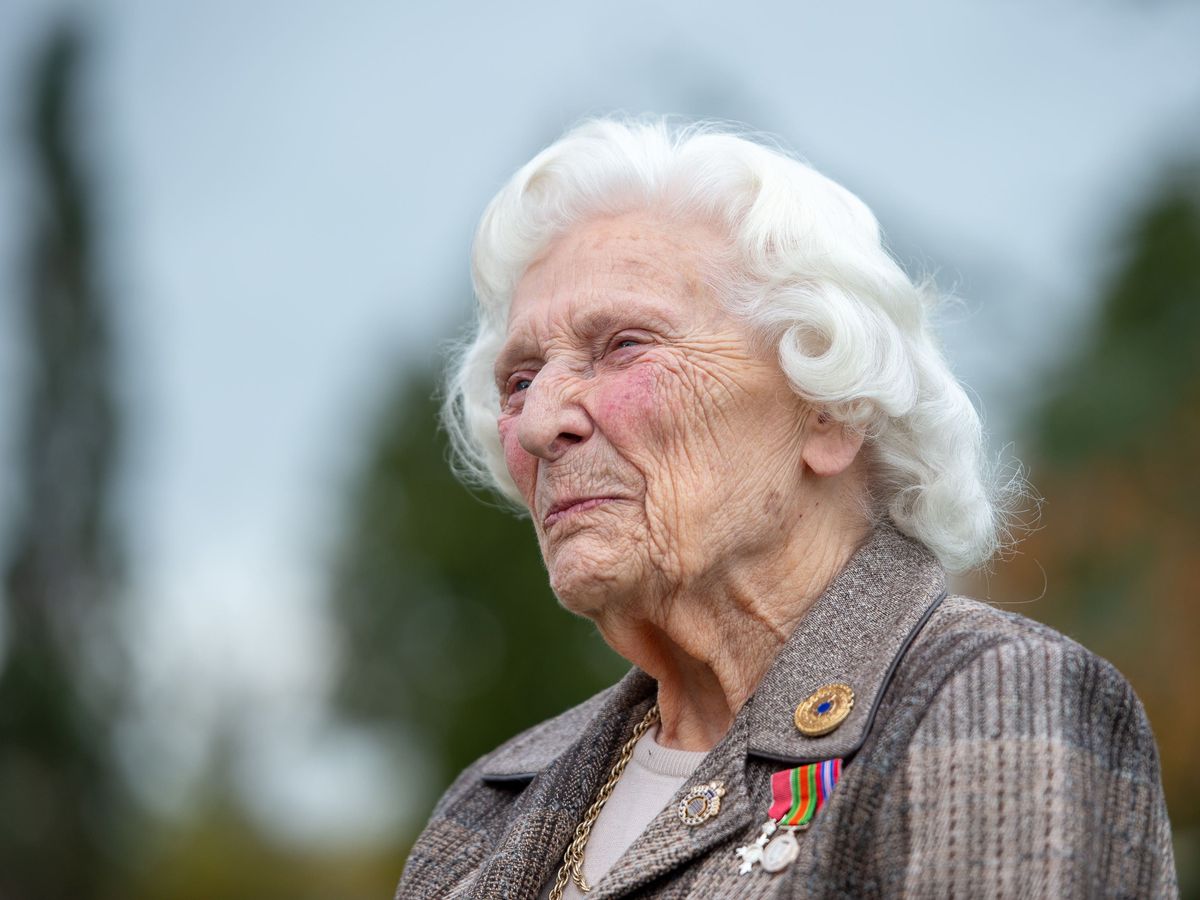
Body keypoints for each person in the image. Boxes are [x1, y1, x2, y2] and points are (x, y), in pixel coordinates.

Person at [395, 118, 1176, 899]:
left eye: (625, 345)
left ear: (827, 408)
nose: (537, 423)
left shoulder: (990, 699)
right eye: (520, 381)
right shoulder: (495, 799)